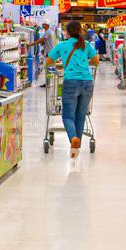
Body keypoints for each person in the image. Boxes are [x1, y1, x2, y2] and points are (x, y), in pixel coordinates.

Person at [47, 19, 98, 157]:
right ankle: (76, 148)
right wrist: (85, 61)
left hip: (71, 83)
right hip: (87, 82)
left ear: (68, 32)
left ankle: (73, 139)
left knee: (68, 116)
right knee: (81, 116)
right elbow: (96, 61)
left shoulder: (62, 45)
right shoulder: (86, 45)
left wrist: (59, 62)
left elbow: (48, 62)